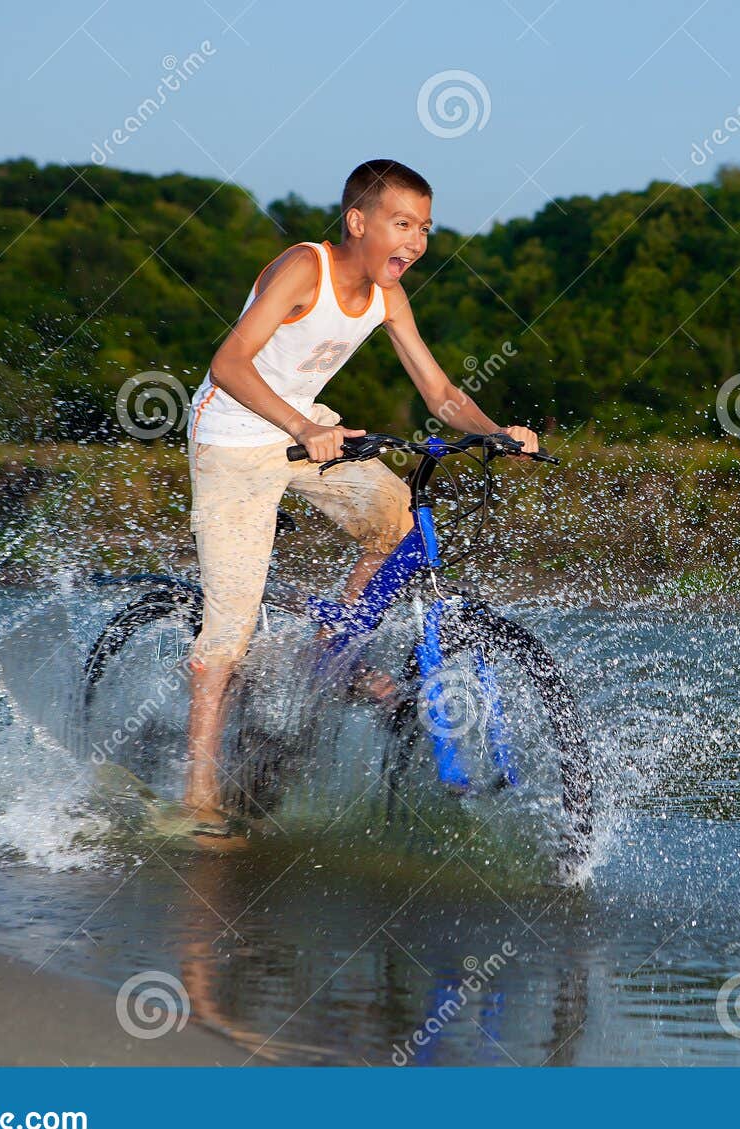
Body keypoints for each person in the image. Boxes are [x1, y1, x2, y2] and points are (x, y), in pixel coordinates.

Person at [182, 158, 538, 835]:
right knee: (226, 632)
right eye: (401, 224)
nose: (415, 242)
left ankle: (329, 650)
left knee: (399, 518)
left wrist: (496, 431)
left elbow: (440, 394)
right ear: (358, 221)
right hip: (233, 437)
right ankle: (197, 795)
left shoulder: (388, 296)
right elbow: (226, 365)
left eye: (425, 229)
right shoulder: (303, 269)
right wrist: (301, 424)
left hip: (306, 428)